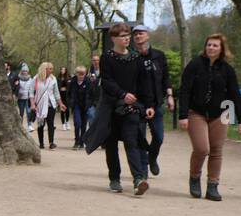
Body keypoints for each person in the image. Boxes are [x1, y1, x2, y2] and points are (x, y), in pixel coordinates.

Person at [178, 33, 240, 202]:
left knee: (216, 151)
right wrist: (183, 115)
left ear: (221, 49)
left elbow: (234, 94)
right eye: (209, 45)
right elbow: (184, 91)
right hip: (196, 113)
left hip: (221, 114)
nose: (211, 48)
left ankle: (213, 185)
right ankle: (194, 177)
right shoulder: (195, 65)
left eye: (215, 45)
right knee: (202, 149)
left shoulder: (227, 69)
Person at [100, 22, 155, 195]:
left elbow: (144, 84)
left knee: (132, 142)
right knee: (111, 145)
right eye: (122, 36)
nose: (126, 39)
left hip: (131, 108)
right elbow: (107, 81)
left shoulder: (135, 58)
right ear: (113, 39)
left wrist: (149, 105)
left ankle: (138, 179)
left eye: (127, 35)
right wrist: (122, 94)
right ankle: (114, 179)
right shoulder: (107, 57)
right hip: (111, 107)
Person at [132, 24, 171, 177]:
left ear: (147, 35)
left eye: (140, 33)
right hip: (138, 104)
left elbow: (166, 77)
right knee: (140, 139)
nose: (138, 36)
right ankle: (143, 171)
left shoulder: (158, 55)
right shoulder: (132, 58)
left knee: (159, 137)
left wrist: (170, 96)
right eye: (135, 34)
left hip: (156, 104)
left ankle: (152, 158)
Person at [31, 62, 60, 149]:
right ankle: (41, 143)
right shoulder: (36, 78)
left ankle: (51, 143)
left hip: (50, 104)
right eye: (50, 69)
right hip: (40, 105)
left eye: (52, 68)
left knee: (51, 124)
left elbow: (56, 92)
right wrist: (32, 104)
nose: (52, 70)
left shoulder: (53, 79)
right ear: (45, 69)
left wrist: (60, 103)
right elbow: (31, 92)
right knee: (41, 124)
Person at [68, 66, 92, 148]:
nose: (81, 75)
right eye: (79, 74)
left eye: (83, 74)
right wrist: (70, 103)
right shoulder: (73, 82)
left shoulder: (88, 82)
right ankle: (76, 141)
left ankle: (82, 141)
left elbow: (92, 94)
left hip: (85, 106)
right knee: (77, 123)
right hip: (76, 105)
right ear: (76, 74)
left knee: (84, 124)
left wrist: (89, 104)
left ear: (85, 74)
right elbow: (68, 93)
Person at [15, 62, 32, 128]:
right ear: (21, 71)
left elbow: (32, 89)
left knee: (28, 112)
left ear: (28, 71)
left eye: (26, 71)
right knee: (21, 112)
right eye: (23, 71)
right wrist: (16, 85)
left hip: (28, 98)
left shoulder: (30, 79)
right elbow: (15, 87)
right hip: (20, 98)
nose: (25, 72)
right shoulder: (18, 78)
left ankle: (29, 125)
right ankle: (20, 125)